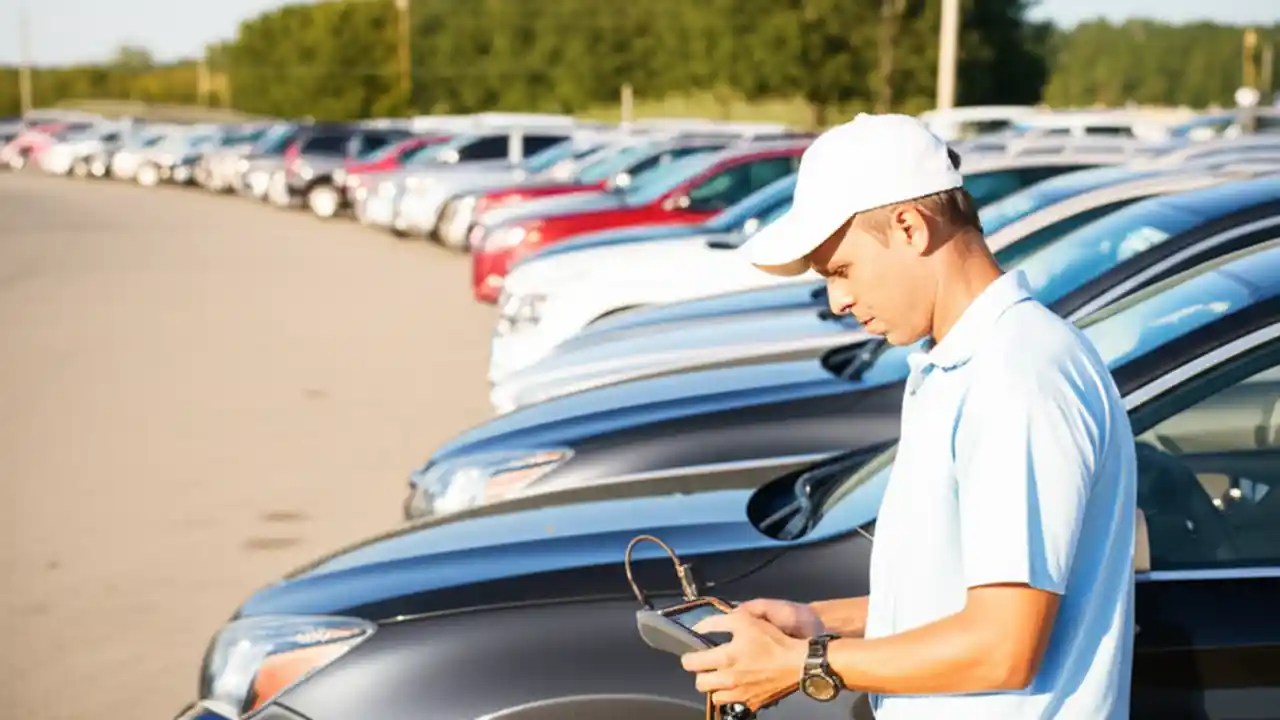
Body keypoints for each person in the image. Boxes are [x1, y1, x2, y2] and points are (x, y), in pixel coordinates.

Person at [680, 113, 1138, 718]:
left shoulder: (1018, 373)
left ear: (909, 227)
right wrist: (816, 622)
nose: (837, 300)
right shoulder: (960, 364)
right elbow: (959, 601)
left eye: (840, 270)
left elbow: (1004, 645)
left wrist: (807, 664)